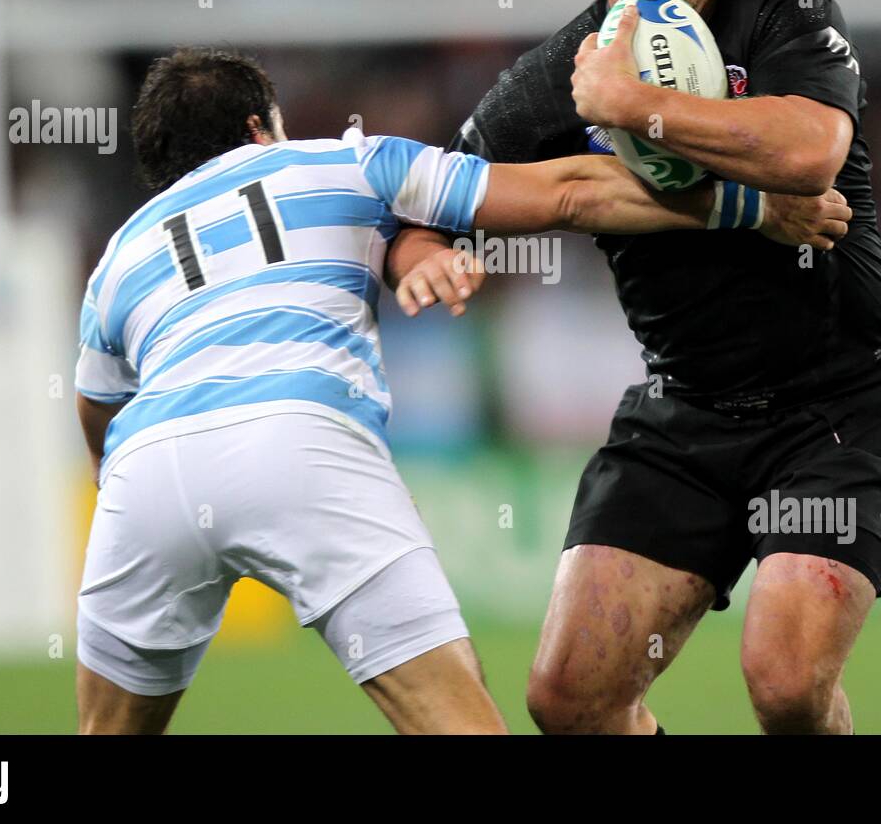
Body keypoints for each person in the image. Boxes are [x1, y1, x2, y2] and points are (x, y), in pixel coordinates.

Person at [387, 0, 881, 735]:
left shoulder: (785, 9)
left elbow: (809, 152)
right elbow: (430, 198)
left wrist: (633, 106)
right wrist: (419, 257)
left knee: (788, 683)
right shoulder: (551, 79)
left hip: (842, 402)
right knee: (569, 699)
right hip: (687, 413)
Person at [73, 45, 745, 735]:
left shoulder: (117, 258)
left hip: (144, 469)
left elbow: (96, 408)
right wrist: (747, 204)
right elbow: (572, 191)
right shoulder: (347, 161)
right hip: (301, 438)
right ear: (258, 127)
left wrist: (132, 496)